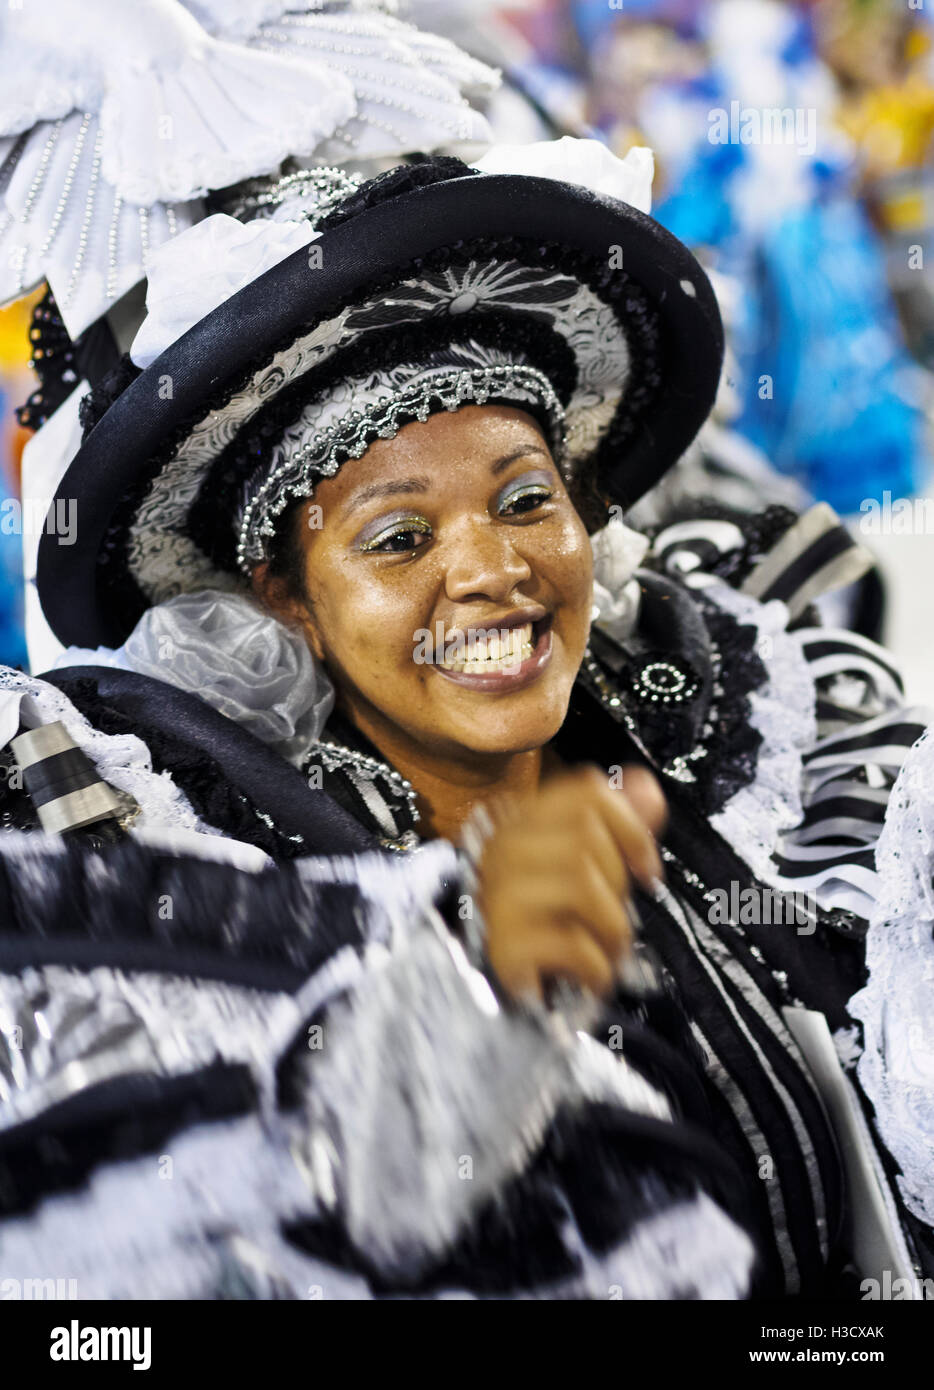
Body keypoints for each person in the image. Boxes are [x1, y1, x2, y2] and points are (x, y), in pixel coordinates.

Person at [0, 148, 931, 1300]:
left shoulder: (741, 749)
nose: (495, 569)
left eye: (525, 499)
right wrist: (468, 1011)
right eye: (398, 539)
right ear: (288, 598)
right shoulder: (196, 890)